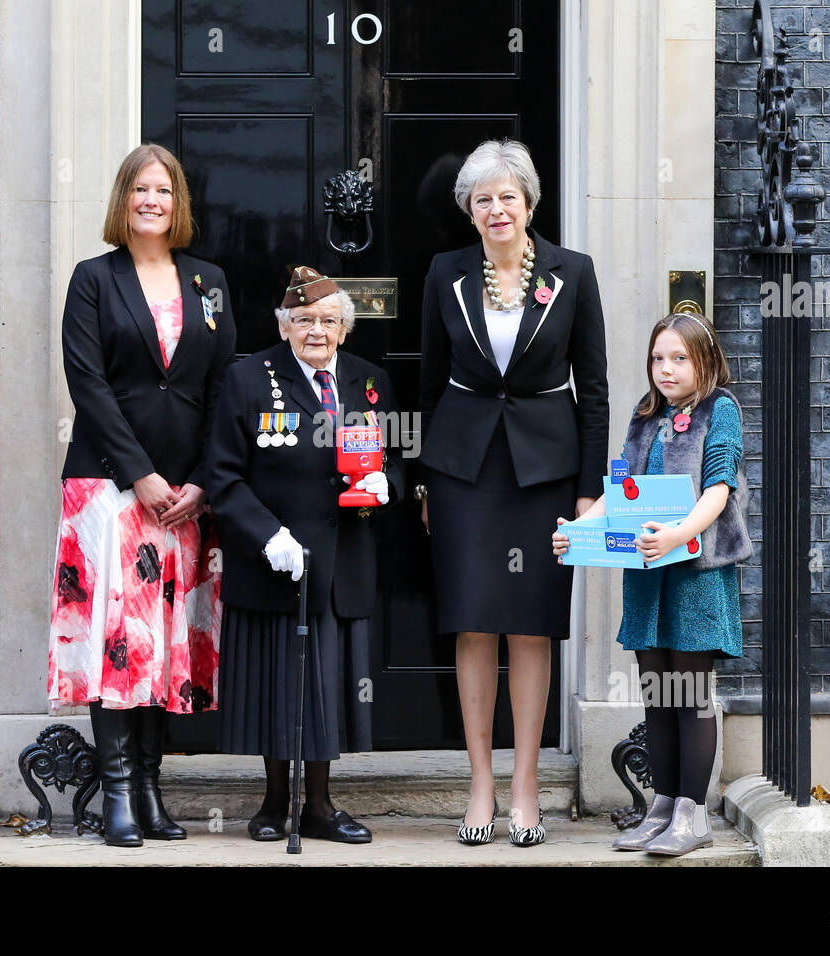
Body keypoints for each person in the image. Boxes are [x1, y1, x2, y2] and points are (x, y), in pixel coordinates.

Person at [417, 138, 609, 846]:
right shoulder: (446, 274)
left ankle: (526, 782)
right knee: (473, 622)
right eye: (483, 198)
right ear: (469, 211)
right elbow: (429, 383)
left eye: (508, 196)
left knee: (531, 623)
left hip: (544, 472)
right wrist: (423, 482)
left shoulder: (573, 273)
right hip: (463, 470)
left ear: (529, 203)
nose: (497, 208)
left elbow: (594, 389)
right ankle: (480, 785)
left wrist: (590, 491)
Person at [47, 143, 237, 847]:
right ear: (122, 201)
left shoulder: (209, 282)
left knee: (162, 645)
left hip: (185, 497)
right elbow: (87, 384)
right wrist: (144, 475)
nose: (151, 200)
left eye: (163, 190)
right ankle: (118, 793)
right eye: (140, 190)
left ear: (177, 201)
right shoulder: (93, 280)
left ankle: (154, 790)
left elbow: (223, 386)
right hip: (109, 488)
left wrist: (201, 480)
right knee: (115, 642)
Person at [205, 266, 403, 844]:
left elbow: (391, 453)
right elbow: (224, 476)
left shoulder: (369, 382)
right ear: (285, 326)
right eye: (303, 320)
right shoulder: (248, 378)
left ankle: (317, 804)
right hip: (276, 561)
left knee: (328, 687)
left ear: (344, 327)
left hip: (343, 562)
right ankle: (273, 804)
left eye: (327, 320)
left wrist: (388, 481)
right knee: (278, 683)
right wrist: (267, 536)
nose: (315, 331)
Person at [552, 311, 752, 857]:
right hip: (647, 577)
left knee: (690, 697)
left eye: (679, 358)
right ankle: (661, 808)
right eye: (657, 359)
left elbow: (718, 490)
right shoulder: (646, 416)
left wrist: (676, 536)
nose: (666, 369)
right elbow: (623, 494)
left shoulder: (721, 410)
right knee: (658, 698)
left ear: (704, 361)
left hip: (696, 577)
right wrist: (579, 529)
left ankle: (693, 814)